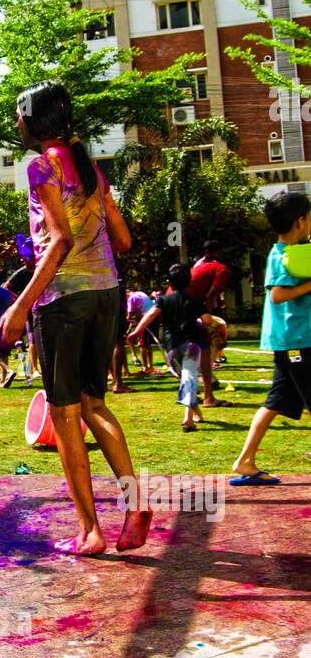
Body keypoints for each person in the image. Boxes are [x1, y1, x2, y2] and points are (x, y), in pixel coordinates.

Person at [0, 82, 147, 556]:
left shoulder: (42, 165)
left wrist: (20, 305)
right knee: (94, 405)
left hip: (63, 302)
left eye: (18, 116)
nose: (16, 125)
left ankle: (90, 531)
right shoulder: (88, 169)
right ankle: (134, 501)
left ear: (32, 119)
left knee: (65, 416)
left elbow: (58, 241)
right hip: (107, 294)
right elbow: (121, 239)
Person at [231, 193, 311, 486]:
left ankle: (245, 461)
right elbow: (277, 295)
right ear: (301, 221)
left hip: (294, 340)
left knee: (275, 400)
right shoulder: (280, 255)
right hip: (296, 341)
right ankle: (245, 460)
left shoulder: (300, 252)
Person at [128, 264, 205, 432]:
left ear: (169, 282)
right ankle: (188, 419)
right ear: (189, 281)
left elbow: (150, 314)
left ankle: (196, 414)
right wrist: (199, 322)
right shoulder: (195, 302)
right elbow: (207, 321)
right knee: (189, 379)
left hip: (171, 349)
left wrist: (137, 331)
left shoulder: (163, 300)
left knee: (186, 380)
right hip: (191, 346)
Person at [187, 241, 233, 407]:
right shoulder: (220, 268)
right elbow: (210, 294)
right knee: (204, 348)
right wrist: (207, 316)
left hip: (188, 307)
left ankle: (206, 389)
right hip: (194, 309)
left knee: (198, 350)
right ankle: (207, 396)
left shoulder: (199, 266)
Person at [126, 288, 155, 375]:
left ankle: (145, 367)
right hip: (152, 316)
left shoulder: (131, 298)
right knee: (147, 343)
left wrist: (126, 319)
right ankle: (150, 366)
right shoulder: (140, 293)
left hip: (145, 318)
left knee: (142, 343)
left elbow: (130, 313)